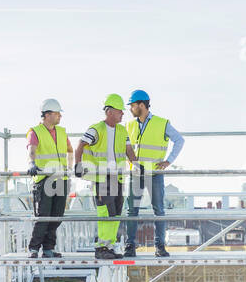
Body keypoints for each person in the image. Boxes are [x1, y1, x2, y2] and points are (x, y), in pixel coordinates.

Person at [124, 90, 185, 257]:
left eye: (132, 105)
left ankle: (160, 247)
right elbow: (125, 146)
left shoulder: (161, 123)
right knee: (132, 210)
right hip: (136, 173)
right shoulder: (129, 125)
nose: (130, 109)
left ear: (141, 105)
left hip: (155, 173)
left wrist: (169, 161)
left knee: (159, 210)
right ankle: (130, 246)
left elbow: (179, 140)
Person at [74, 94, 136, 259]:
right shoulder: (96, 129)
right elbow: (80, 146)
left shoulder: (122, 130)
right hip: (102, 178)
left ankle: (110, 246)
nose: (123, 114)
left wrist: (136, 164)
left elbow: (129, 150)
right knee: (105, 213)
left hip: (118, 178)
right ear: (110, 112)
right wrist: (78, 164)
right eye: (120, 111)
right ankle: (101, 247)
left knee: (116, 213)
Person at [26, 98, 73, 259]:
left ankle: (48, 248)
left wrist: (70, 168)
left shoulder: (61, 132)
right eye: (57, 113)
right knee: (43, 216)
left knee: (57, 215)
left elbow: (69, 150)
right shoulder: (35, 132)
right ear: (47, 115)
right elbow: (32, 149)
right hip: (45, 179)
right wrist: (32, 163)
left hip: (61, 178)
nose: (60, 116)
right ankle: (34, 248)